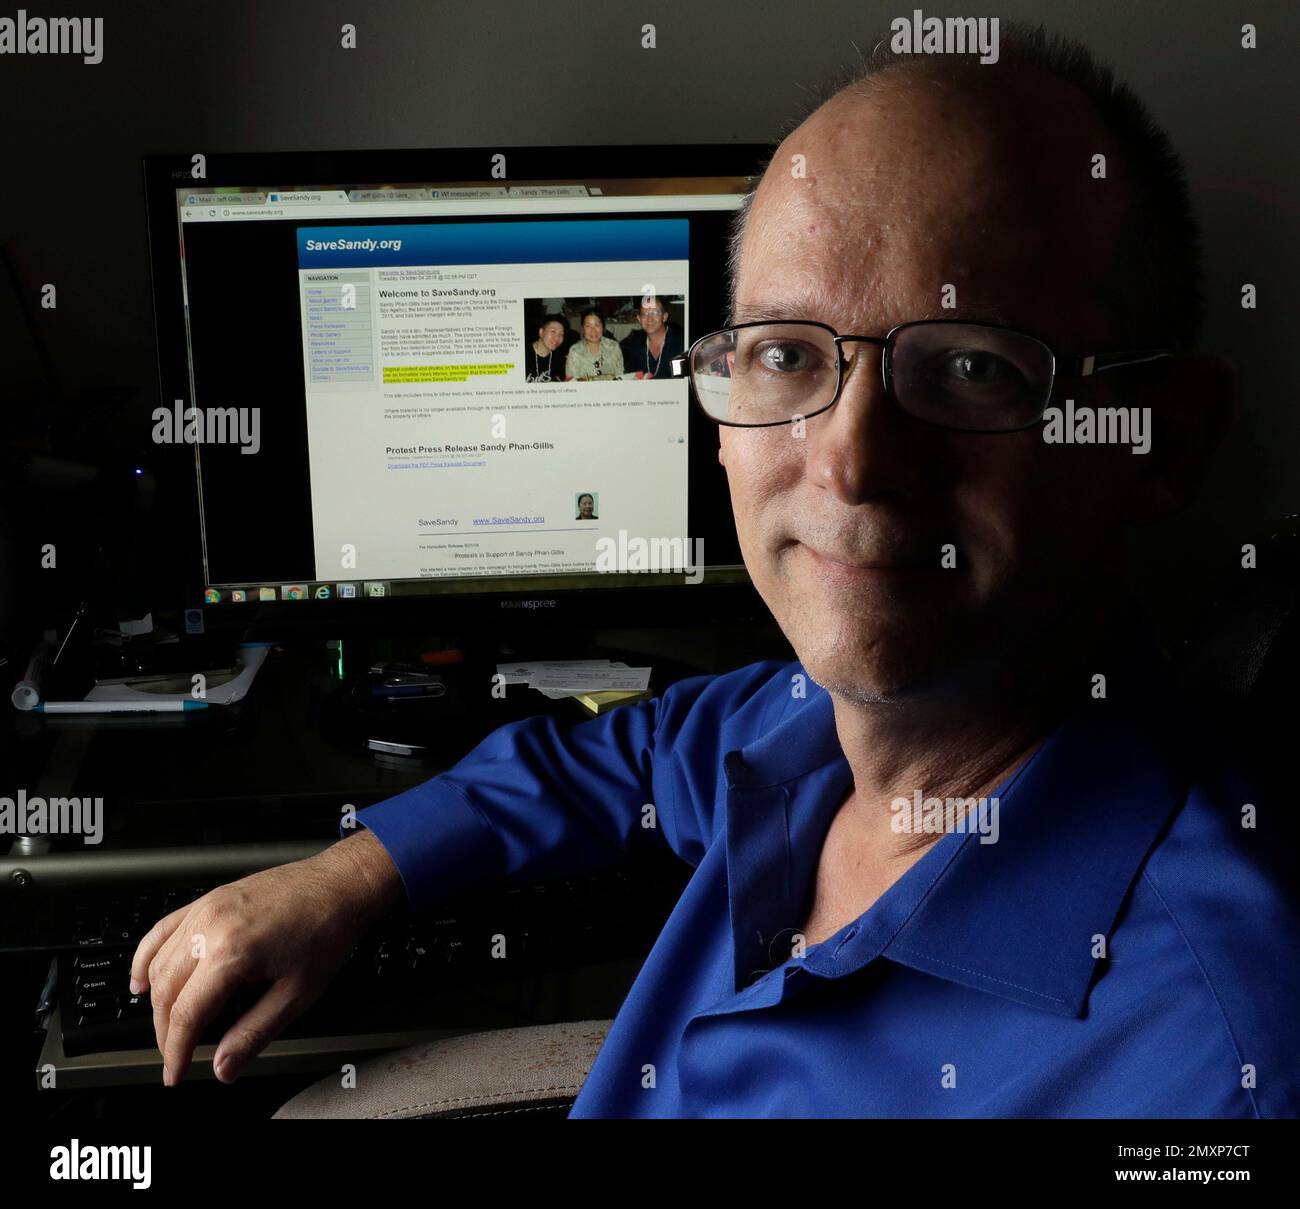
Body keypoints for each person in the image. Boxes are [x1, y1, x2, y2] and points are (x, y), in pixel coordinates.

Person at [130, 24, 1300, 1119]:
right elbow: (620, 753)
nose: (847, 463)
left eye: (971, 370)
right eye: (787, 355)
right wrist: (352, 876)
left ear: (1161, 441)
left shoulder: (1211, 1061)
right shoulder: (800, 725)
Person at [619, 296, 685, 379]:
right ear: (639, 319)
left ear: (664, 317)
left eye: (655, 313)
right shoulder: (636, 343)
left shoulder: (680, 344)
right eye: (644, 314)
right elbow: (632, 375)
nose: (649, 319)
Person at [565, 308, 623, 380]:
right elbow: (572, 381)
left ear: (603, 327)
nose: (593, 330)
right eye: (588, 326)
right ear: (583, 328)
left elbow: (620, 375)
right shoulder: (575, 350)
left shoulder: (613, 346)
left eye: (597, 325)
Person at [525, 313, 567, 382]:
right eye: (553, 331)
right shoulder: (523, 355)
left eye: (561, 334)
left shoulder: (561, 360)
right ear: (541, 332)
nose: (557, 338)